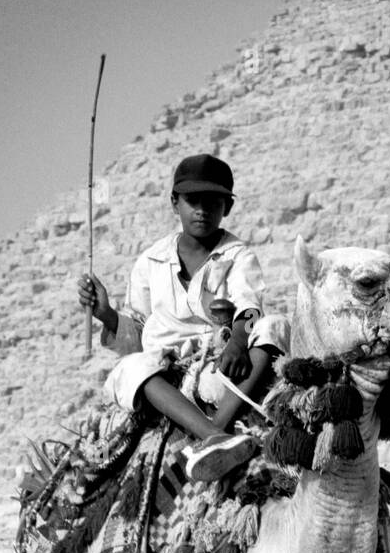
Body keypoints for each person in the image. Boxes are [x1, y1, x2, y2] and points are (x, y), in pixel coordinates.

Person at [78, 153, 288, 482]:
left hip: (222, 363)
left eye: (213, 202)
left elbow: (249, 305)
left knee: (274, 326)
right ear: (175, 203)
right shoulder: (150, 261)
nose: (202, 210)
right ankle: (213, 434)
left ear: (227, 207)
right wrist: (105, 313)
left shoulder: (238, 255)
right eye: (192, 201)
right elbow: (138, 331)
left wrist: (236, 340)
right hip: (168, 370)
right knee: (130, 367)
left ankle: (217, 428)